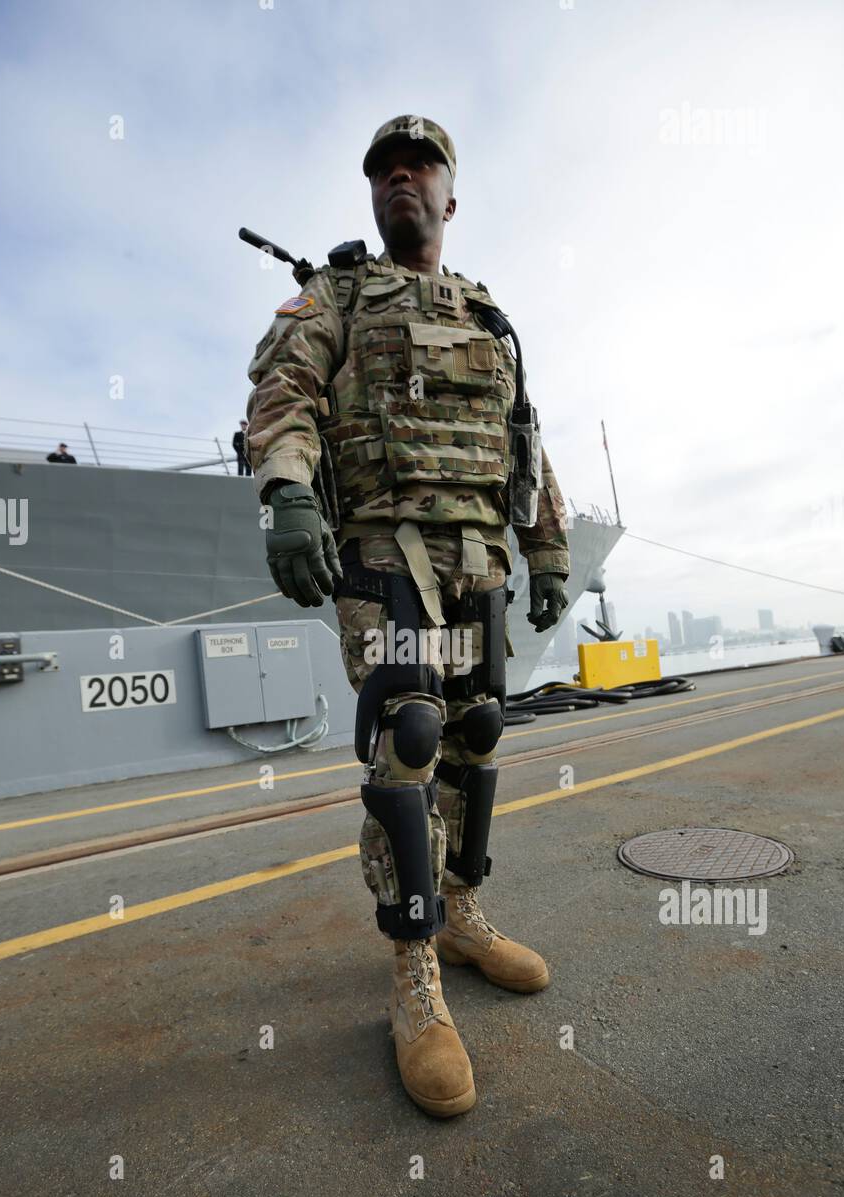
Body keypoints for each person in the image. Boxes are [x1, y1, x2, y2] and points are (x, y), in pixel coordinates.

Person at [245, 116, 570, 1117]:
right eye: (384, 168)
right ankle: (412, 969)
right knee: (409, 738)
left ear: (447, 197)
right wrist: (288, 489)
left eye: (418, 166)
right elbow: (285, 388)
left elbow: (524, 436)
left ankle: (464, 914)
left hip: (477, 555)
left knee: (475, 732)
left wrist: (548, 545)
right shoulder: (334, 296)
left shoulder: (487, 315)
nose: (400, 177)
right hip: (385, 552)